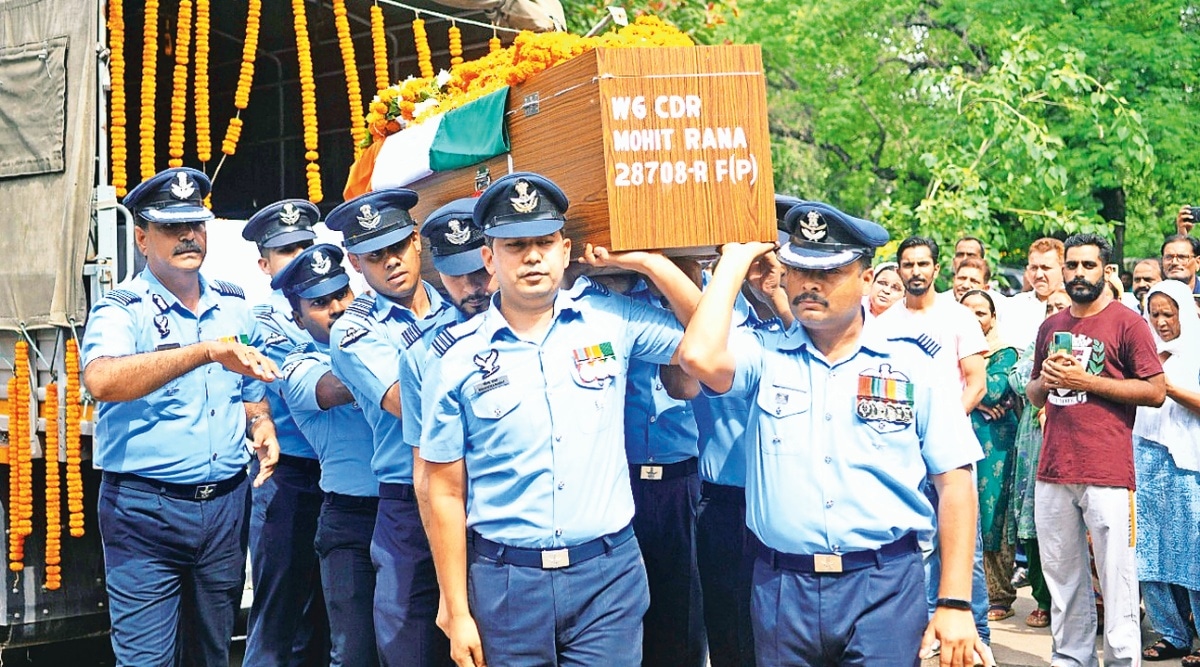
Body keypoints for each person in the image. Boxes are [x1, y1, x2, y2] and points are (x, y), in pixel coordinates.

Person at [677, 201, 987, 666]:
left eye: (830, 272)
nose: (810, 286)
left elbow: (955, 483)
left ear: (866, 280)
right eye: (798, 271)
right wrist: (736, 259)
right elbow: (697, 356)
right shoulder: (766, 355)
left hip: (882, 586)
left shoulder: (913, 363)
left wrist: (955, 602)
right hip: (782, 587)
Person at [418, 172, 702, 667]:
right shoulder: (454, 359)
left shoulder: (612, 320)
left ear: (565, 250)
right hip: (508, 584)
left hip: (607, 578)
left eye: (544, 242)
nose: (532, 256)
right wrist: (456, 608)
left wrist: (649, 263)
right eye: (515, 245)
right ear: (489, 258)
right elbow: (442, 490)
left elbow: (706, 340)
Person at [81, 167, 281, 665]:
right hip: (146, 510)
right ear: (143, 239)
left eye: (196, 225)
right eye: (172, 228)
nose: (188, 236)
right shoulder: (123, 308)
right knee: (147, 659)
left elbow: (247, 385)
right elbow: (102, 380)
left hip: (224, 508)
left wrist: (261, 423)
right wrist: (202, 351)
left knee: (211, 653)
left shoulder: (234, 304)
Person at [325, 189, 453, 666]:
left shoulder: (462, 300)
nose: (391, 263)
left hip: (478, 494)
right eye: (374, 256)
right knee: (411, 646)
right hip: (406, 502)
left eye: (397, 247)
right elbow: (410, 403)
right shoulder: (354, 330)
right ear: (356, 264)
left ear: (417, 241)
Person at [1027, 233, 1166, 667]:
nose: (1078, 274)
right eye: (1072, 266)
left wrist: (1088, 383)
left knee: (1118, 581)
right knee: (1063, 581)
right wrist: (1046, 382)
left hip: (1107, 469)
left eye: (1089, 266)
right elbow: (1034, 394)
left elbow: (1156, 390)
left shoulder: (1128, 322)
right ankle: (1071, 659)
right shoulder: (1051, 326)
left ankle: (1123, 661)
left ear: (1106, 271)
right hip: (1053, 468)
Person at [877, 235, 991, 644]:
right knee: (916, 549)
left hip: (952, 452)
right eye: (907, 265)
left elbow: (976, 384)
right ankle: (923, 640)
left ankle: (978, 640)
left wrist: (937, 430)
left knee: (966, 553)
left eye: (922, 264)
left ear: (936, 269)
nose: (915, 272)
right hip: (902, 455)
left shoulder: (959, 317)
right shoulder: (884, 323)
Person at [272, 243, 380, 667]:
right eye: (319, 303)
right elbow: (347, 386)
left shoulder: (385, 341)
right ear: (298, 318)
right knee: (355, 654)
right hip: (351, 521)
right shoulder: (299, 367)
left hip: (409, 509)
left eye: (342, 295)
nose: (336, 308)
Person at [240, 199, 329, 667]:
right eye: (283, 250)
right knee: (278, 613)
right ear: (263, 263)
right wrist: (262, 423)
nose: (296, 257)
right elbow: (247, 390)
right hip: (288, 474)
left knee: (329, 616)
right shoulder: (256, 319)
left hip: (342, 477)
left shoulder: (340, 302)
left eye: (303, 245)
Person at [1132, 280, 1200, 665]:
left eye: (1168, 314)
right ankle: (1171, 634)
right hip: (1145, 456)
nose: (1160, 322)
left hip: (1188, 465)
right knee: (1148, 554)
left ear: (1184, 314)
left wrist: (1167, 388)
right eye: (1154, 314)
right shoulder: (1143, 352)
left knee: (1193, 553)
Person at [1006, 287, 1071, 629]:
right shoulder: (1038, 343)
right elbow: (1018, 380)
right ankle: (1044, 601)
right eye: (1052, 307)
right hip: (1035, 447)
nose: (1059, 312)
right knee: (1033, 528)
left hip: (1074, 447)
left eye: (1064, 306)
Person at [959, 290, 1020, 622]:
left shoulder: (1004, 353)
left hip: (994, 443)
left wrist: (973, 389)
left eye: (980, 312)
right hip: (957, 437)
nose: (973, 317)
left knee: (991, 515)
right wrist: (975, 396)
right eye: (966, 311)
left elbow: (994, 389)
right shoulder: (944, 347)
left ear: (993, 318)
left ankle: (999, 594)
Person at [1006, 238, 1066, 350]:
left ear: (1063, 271)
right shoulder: (1014, 305)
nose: (1038, 275)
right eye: (1034, 268)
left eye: (1045, 268)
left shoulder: (1075, 306)